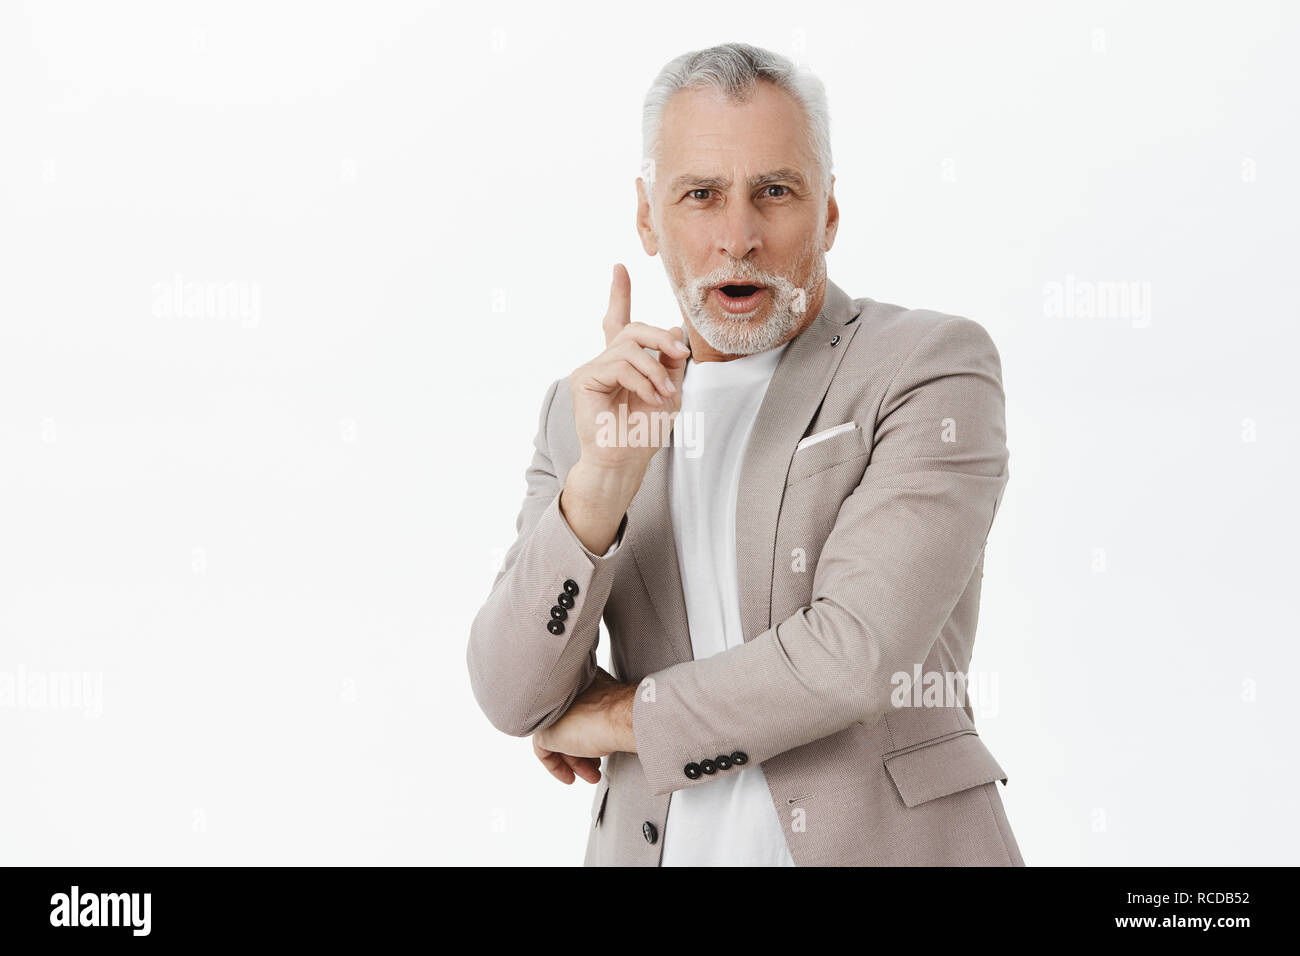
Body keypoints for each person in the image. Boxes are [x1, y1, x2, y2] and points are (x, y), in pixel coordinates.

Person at [466, 41, 1024, 866]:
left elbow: (853, 658)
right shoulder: (586, 410)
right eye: (701, 194)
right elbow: (512, 693)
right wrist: (600, 489)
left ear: (828, 209)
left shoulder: (931, 367)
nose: (739, 236)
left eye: (775, 191)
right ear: (649, 217)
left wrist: (623, 719)